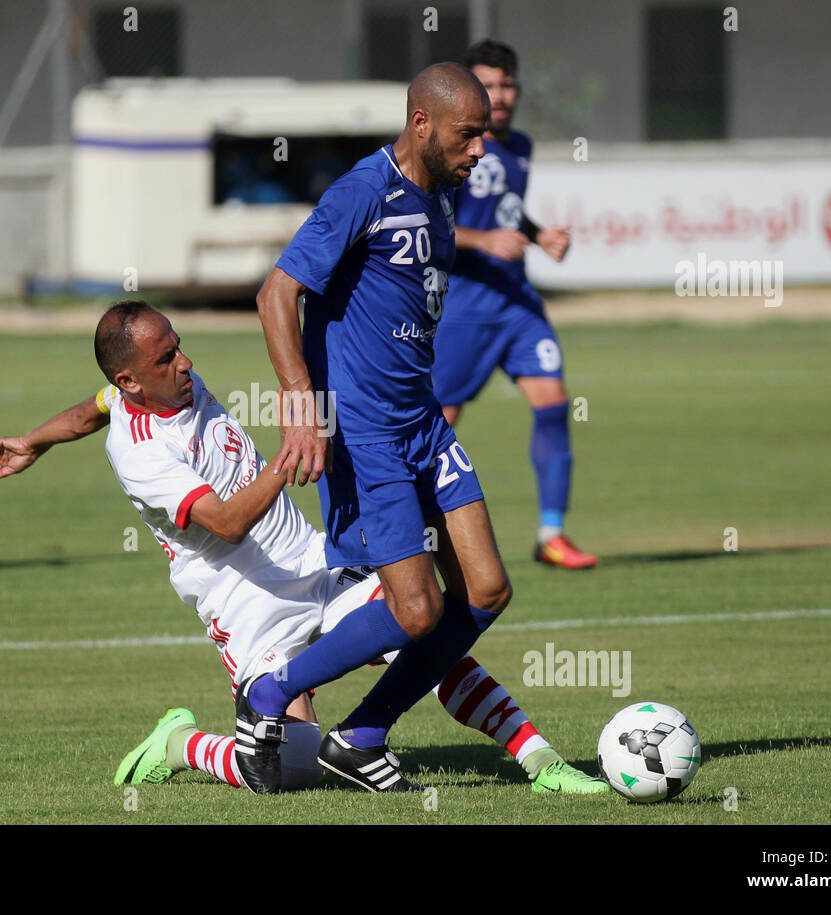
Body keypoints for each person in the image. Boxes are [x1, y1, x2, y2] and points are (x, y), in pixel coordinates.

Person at [0, 301, 606, 795]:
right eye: (166, 361)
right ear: (134, 379)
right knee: (286, 772)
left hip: (313, 564)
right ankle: (180, 741)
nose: (184, 364)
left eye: (180, 348)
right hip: (242, 602)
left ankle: (539, 760)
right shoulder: (141, 454)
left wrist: (34, 438)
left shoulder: (150, 384)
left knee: (420, 624)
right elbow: (230, 522)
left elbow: (92, 405)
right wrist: (289, 457)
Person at [251, 62, 532, 795]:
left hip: (424, 424)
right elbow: (277, 292)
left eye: (485, 135)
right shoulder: (361, 191)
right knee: (415, 610)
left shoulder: (443, 194)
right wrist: (302, 403)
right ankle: (270, 691)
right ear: (422, 125)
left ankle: (363, 731)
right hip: (367, 433)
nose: (480, 150)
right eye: (468, 135)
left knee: (489, 589)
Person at [435, 40, 597, 570]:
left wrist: (537, 233)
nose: (499, 96)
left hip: (517, 303)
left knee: (553, 403)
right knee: (437, 427)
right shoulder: (453, 147)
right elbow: (429, 223)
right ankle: (401, 539)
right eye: (488, 86)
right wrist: (484, 242)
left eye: (507, 85)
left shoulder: (521, 145)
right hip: (465, 306)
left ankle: (552, 534)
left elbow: (505, 204)